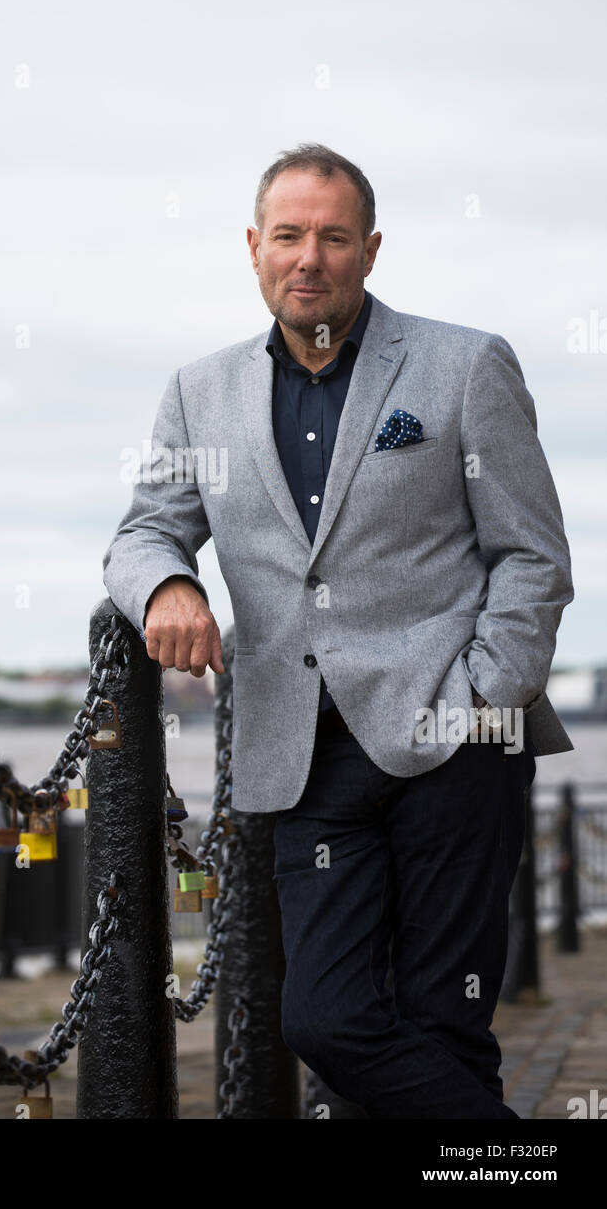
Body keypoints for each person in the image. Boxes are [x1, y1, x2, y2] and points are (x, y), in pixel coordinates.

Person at [101, 142, 574, 1119]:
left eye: (331, 236)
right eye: (287, 235)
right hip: (299, 757)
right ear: (252, 246)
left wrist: (486, 695)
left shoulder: (461, 363)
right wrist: (165, 589)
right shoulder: (203, 392)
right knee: (323, 1018)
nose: (307, 256)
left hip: (457, 739)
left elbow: (530, 555)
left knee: (445, 1024)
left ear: (368, 249)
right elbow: (145, 527)